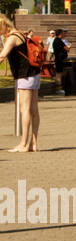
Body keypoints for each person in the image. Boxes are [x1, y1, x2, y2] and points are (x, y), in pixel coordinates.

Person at [0, 15, 41, 153]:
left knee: (25, 110)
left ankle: (23, 144)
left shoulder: (11, 38)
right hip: (34, 73)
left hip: (25, 75)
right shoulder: (20, 34)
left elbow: (2, 55)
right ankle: (33, 144)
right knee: (34, 110)